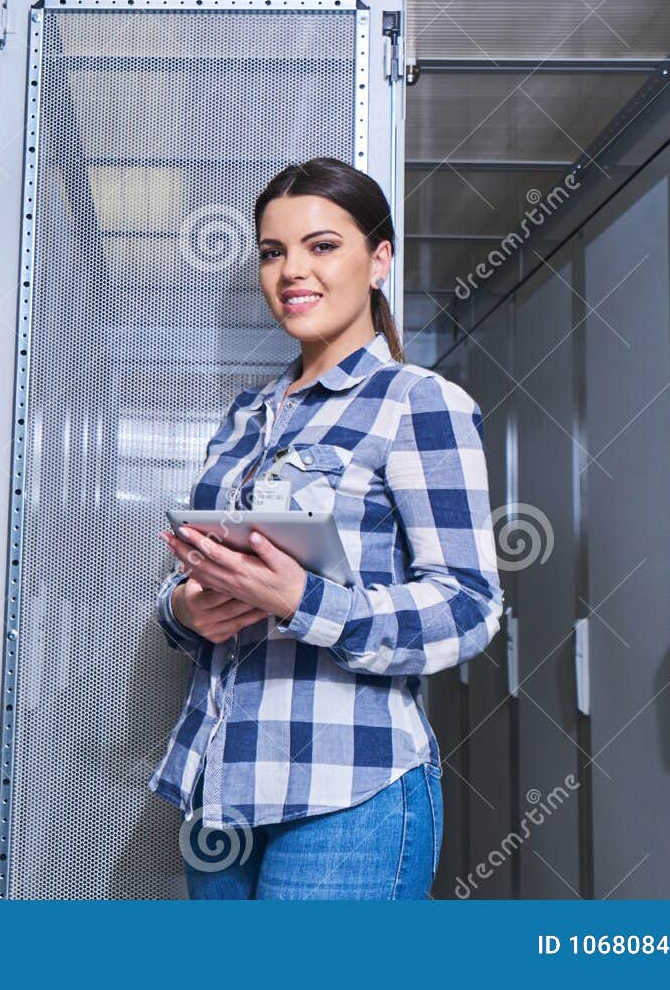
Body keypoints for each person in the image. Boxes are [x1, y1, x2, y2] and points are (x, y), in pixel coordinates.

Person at [150, 156, 504, 900]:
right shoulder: (246, 417)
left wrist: (300, 601)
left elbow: (469, 607)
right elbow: (194, 580)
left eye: (322, 246)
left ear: (379, 260)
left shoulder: (417, 403)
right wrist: (185, 608)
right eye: (273, 251)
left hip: (348, 793)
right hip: (219, 790)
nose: (292, 271)